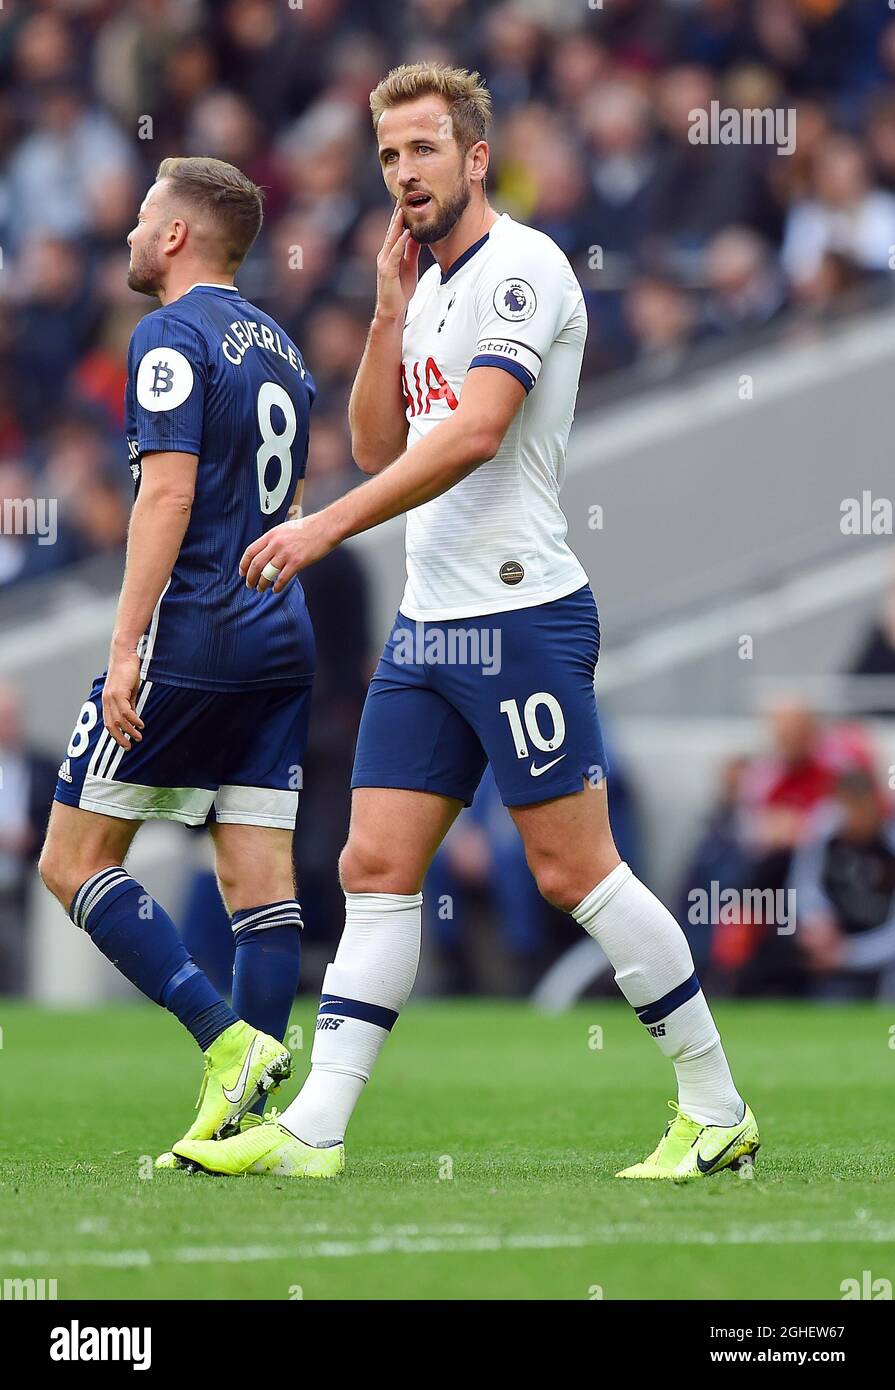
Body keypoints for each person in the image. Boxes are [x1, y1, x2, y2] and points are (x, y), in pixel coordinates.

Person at [176, 63, 759, 1182]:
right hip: (430, 626)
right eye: (389, 155)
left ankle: (715, 1102)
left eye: (424, 151)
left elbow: (478, 430)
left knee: (572, 872)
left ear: (475, 156)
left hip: (521, 613)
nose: (403, 174)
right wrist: (389, 315)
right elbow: (377, 444)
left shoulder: (523, 269)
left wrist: (323, 528)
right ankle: (314, 1131)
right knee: (374, 863)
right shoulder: (430, 288)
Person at [38, 157, 316, 1162]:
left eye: (142, 220)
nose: (125, 235)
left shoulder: (167, 337)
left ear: (175, 238)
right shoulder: (281, 346)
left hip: (194, 634)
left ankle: (223, 1041)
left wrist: (124, 647)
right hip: (281, 632)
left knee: (70, 861)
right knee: (259, 883)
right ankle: (255, 1129)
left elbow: (165, 496)